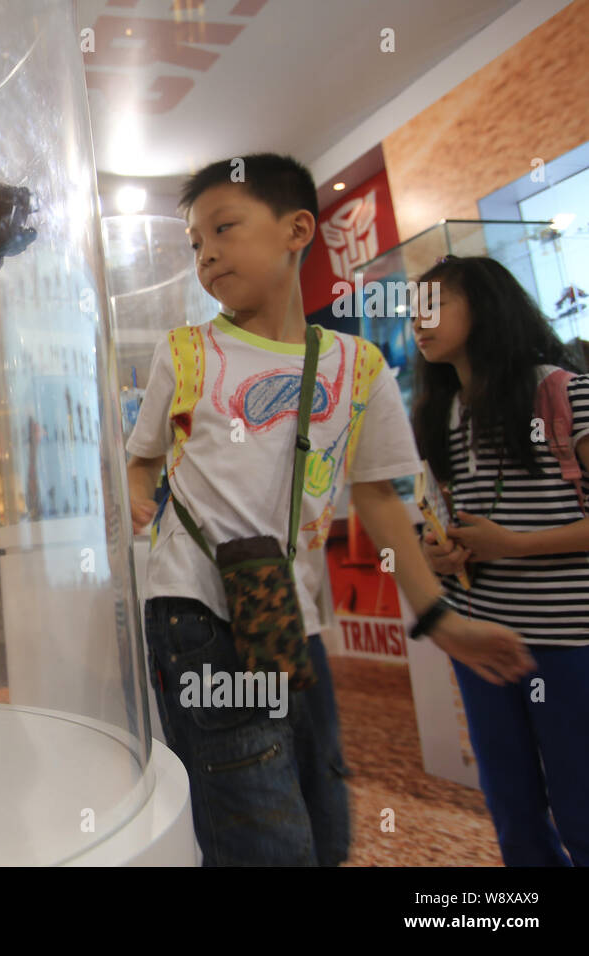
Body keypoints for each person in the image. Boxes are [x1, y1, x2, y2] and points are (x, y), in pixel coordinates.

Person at [126, 153, 535, 866]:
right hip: (197, 612)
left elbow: (378, 498)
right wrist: (138, 490)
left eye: (224, 228)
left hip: (290, 615)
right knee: (259, 825)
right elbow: (144, 456)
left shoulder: (360, 367)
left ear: (297, 229)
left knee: (326, 817)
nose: (208, 253)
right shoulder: (185, 352)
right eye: (195, 243)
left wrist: (438, 615)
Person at [412, 254, 589, 866]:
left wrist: (512, 544)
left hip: (568, 639)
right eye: (413, 311)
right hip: (482, 639)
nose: (417, 322)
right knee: (512, 809)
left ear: (485, 307)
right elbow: (434, 517)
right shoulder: (442, 410)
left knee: (581, 808)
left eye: (434, 307)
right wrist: (436, 552)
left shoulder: (561, 392)